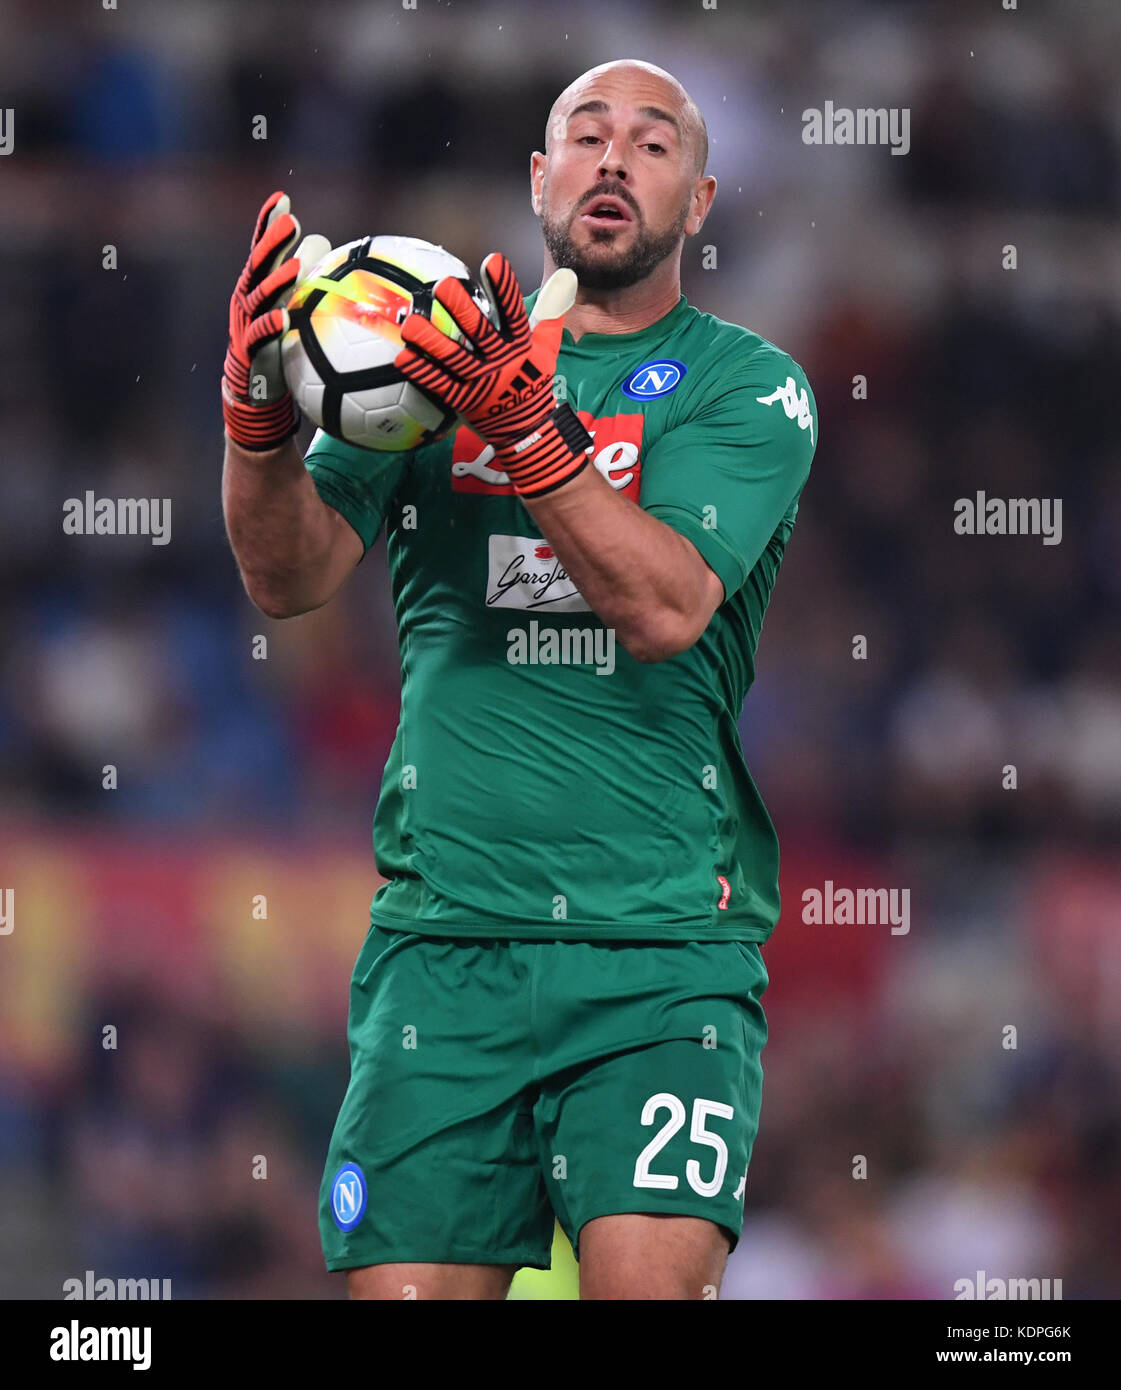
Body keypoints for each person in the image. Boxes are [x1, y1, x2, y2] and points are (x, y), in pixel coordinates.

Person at [220, 58, 817, 1300]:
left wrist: (524, 427)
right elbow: (287, 576)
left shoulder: (747, 385)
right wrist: (255, 421)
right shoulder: (415, 365)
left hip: (657, 955)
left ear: (697, 200)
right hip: (444, 947)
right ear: (538, 180)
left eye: (650, 146)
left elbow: (660, 605)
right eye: (584, 137)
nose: (613, 159)